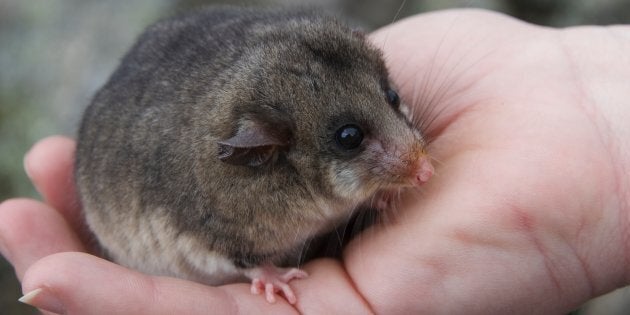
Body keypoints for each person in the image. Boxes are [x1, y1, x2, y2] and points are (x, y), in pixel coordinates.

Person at [1, 9, 629, 314]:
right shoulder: (236, 188)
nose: (414, 155)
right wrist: (260, 269)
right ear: (265, 152)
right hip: (161, 201)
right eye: (354, 137)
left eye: (391, 101)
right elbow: (210, 224)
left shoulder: (321, 62)